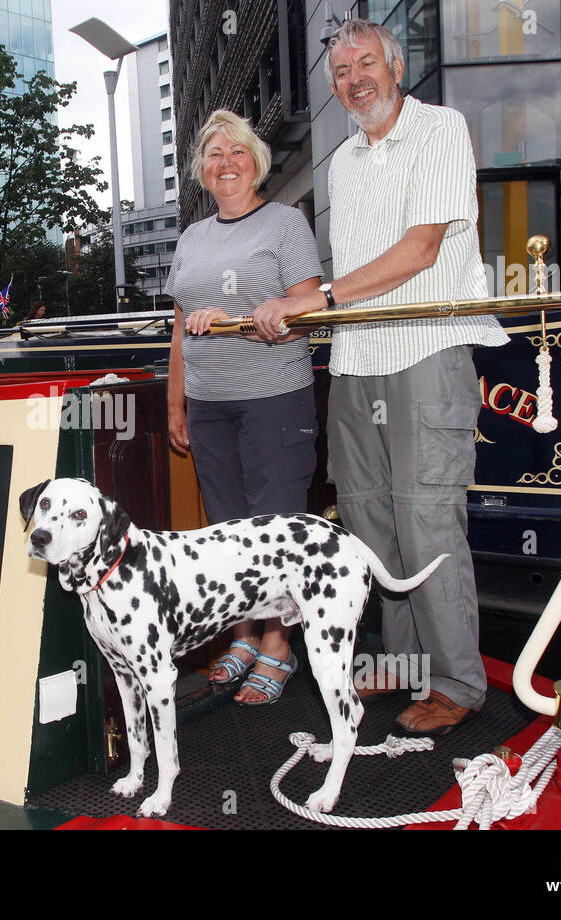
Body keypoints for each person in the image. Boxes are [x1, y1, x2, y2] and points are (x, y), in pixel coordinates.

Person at [252, 19, 507, 735]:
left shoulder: (441, 130)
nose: (354, 77)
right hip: (358, 361)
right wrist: (308, 308)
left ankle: (458, 683)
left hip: (426, 351)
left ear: (396, 67)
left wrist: (316, 298)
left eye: (367, 62)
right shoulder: (341, 163)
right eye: (341, 71)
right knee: (366, 524)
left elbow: (421, 252)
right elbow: (353, 276)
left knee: (428, 524)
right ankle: (398, 666)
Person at [166, 109, 323, 704]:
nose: (225, 163)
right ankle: (243, 635)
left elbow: (309, 299)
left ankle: (279, 646)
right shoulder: (192, 239)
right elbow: (180, 328)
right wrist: (176, 404)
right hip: (209, 407)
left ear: (255, 161)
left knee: (275, 532)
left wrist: (278, 307)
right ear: (201, 171)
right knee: (228, 533)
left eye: (236, 152)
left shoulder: (285, 223)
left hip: (273, 401)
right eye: (213, 154)